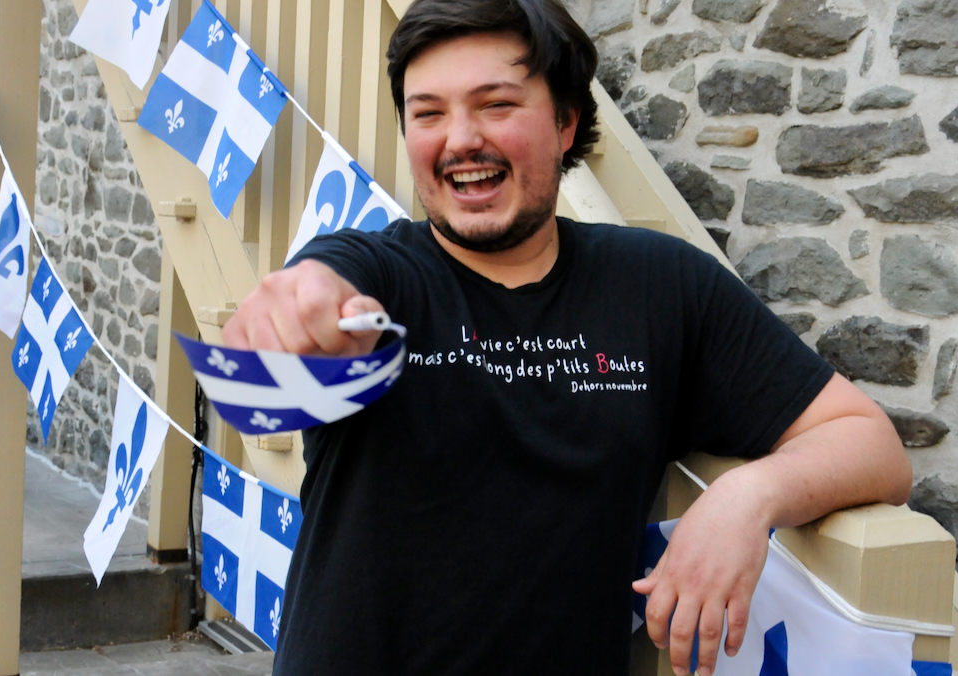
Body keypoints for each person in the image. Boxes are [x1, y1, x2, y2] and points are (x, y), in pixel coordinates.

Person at [222, 0, 912, 672]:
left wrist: (747, 499)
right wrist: (298, 303)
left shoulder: (660, 286)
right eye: (427, 113)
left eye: (496, 104)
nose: (459, 138)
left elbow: (871, 444)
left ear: (564, 122)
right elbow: (312, 291)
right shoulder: (376, 274)